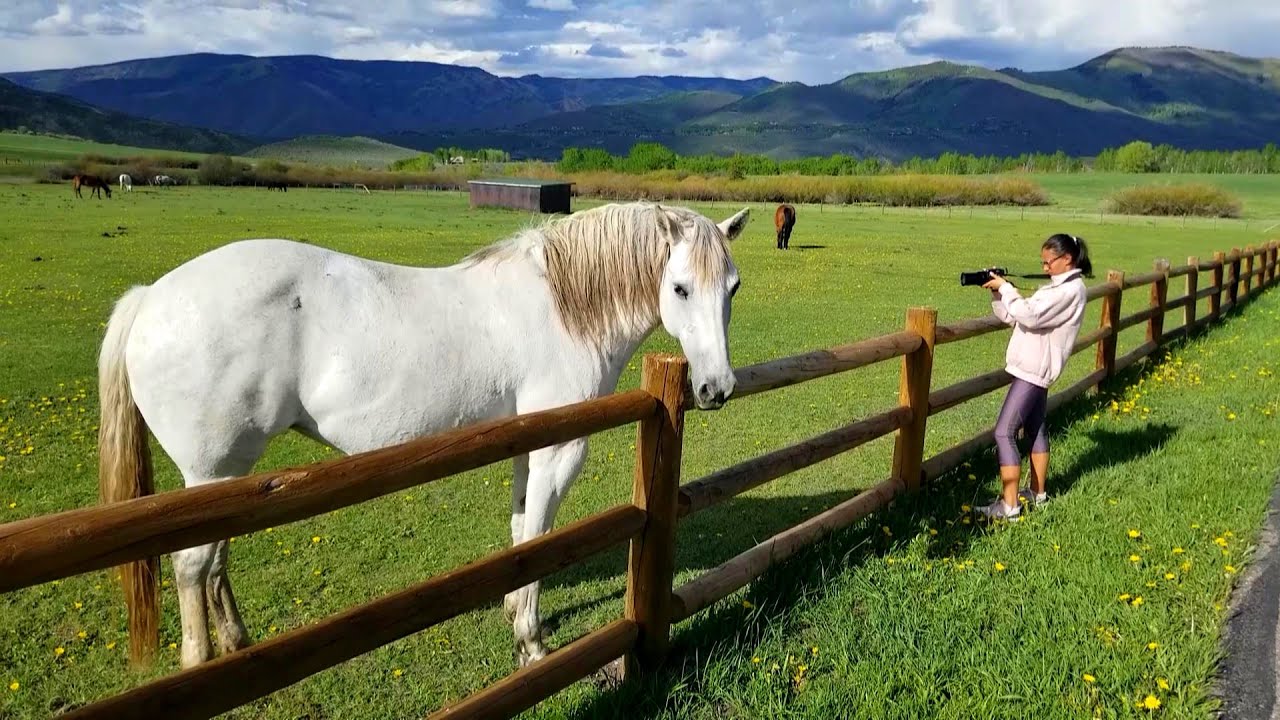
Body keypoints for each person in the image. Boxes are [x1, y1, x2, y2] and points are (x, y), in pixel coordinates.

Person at [975, 233, 1093, 521]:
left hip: (1033, 371)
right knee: (1036, 429)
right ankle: (1037, 495)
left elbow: (1029, 315)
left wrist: (1007, 289)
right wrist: (998, 292)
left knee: (1004, 433)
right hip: (1036, 368)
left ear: (1067, 259)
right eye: (1042, 262)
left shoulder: (1069, 292)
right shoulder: (1060, 288)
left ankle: (1009, 506)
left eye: (1048, 262)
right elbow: (1016, 316)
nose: (1044, 267)